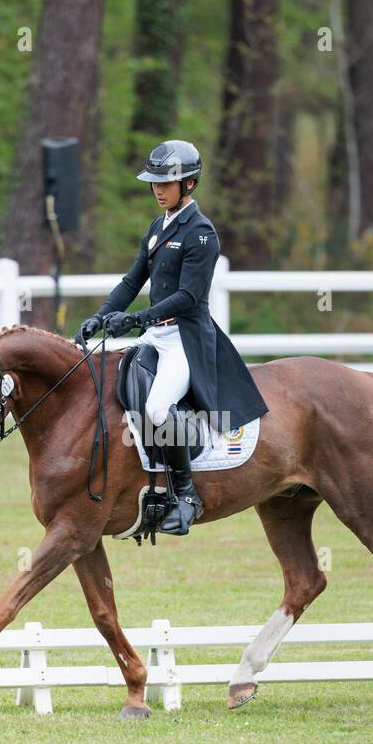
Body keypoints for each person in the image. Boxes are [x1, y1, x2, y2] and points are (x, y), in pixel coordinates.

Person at [76, 140, 268, 536]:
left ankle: (186, 497)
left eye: (167, 183)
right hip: (156, 335)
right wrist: (100, 316)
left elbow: (188, 297)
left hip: (186, 338)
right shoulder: (158, 226)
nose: (158, 190)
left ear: (190, 185)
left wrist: (134, 320)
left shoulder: (201, 233)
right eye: (154, 183)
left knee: (160, 409)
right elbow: (133, 281)